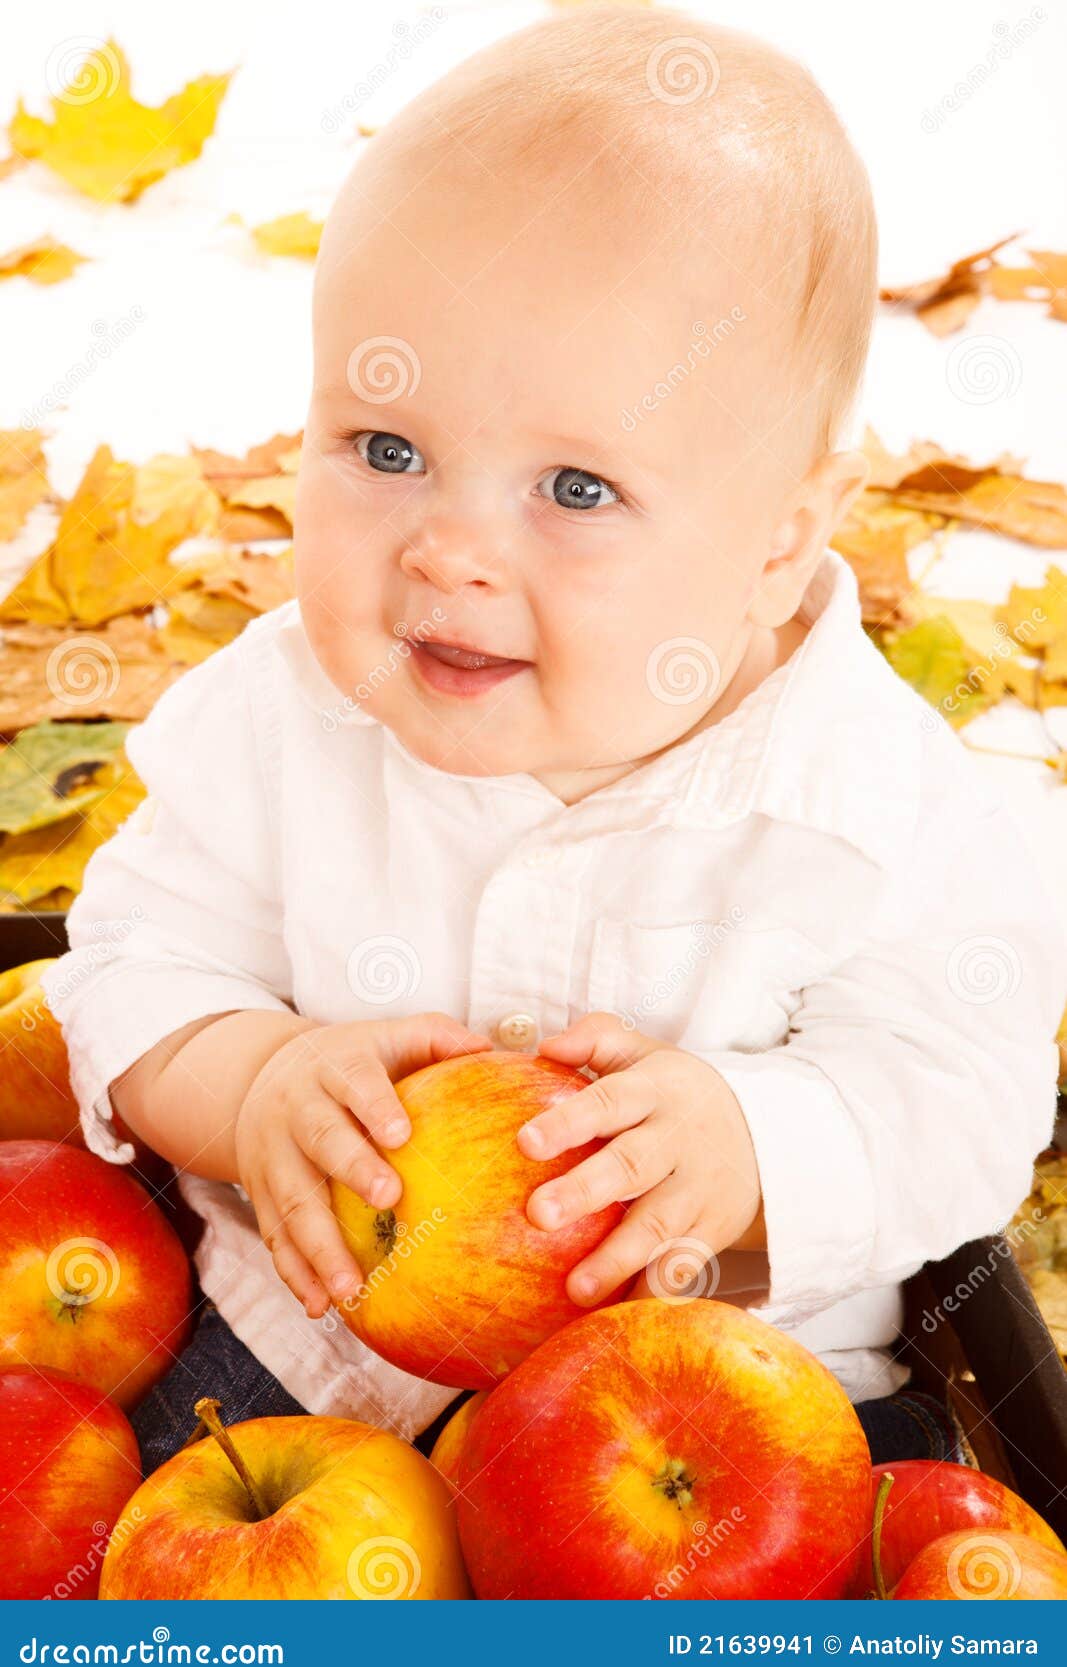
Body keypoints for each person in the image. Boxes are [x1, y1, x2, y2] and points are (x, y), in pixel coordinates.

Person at [43, 5, 1065, 1494]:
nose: (447, 551)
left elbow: (964, 1101)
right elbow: (131, 959)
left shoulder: (881, 810)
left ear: (780, 542)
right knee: (115, 1541)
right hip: (300, 1358)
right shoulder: (282, 719)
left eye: (575, 488)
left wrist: (750, 1144)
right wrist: (253, 1081)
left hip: (727, 1409)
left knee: (870, 1555)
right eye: (386, 450)